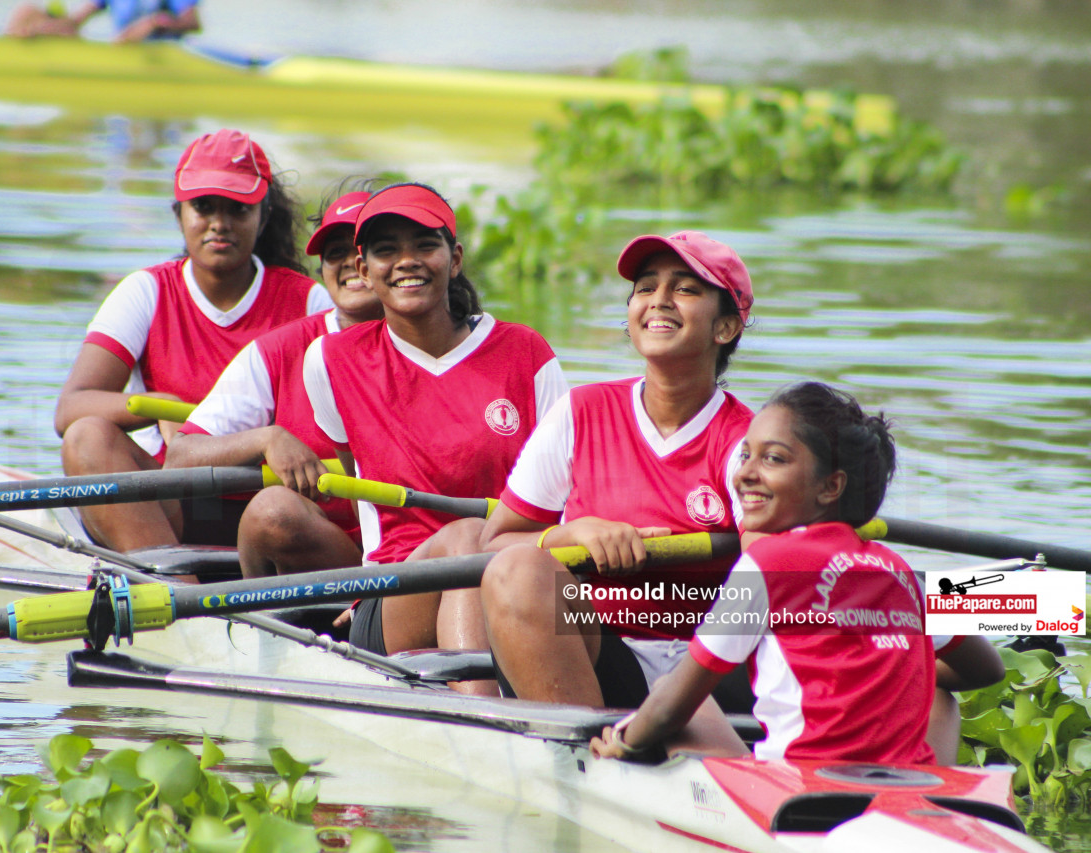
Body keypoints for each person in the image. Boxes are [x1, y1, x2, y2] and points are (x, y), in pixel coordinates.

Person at [589, 382, 1005, 764]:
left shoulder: (764, 565)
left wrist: (623, 743)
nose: (744, 474)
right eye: (746, 454)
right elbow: (987, 670)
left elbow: (672, 706)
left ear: (830, 487)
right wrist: (888, 666)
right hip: (902, 788)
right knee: (939, 692)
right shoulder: (896, 569)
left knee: (665, 688)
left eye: (773, 458)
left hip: (802, 793)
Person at [478, 231, 753, 727]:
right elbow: (491, 545)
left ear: (726, 327)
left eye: (686, 289)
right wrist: (570, 534)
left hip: (710, 672)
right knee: (516, 572)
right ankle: (585, 749)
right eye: (646, 287)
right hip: (600, 656)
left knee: (922, 632)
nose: (659, 301)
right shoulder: (581, 411)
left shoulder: (750, 441)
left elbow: (779, 574)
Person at [302, 182, 569, 668]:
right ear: (364, 269)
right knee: (466, 539)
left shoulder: (526, 352)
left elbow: (568, 497)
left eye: (426, 245)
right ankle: (483, 717)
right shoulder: (330, 360)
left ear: (456, 258)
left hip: (512, 579)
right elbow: (358, 480)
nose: (407, 261)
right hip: (394, 592)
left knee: (475, 544)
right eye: (386, 251)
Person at [55, 129, 331, 552]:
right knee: (85, 436)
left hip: (274, 503)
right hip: (172, 504)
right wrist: (163, 406)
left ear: (264, 215)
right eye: (203, 207)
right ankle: (176, 591)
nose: (219, 223)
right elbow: (70, 409)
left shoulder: (309, 301)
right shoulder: (146, 291)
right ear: (179, 213)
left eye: (238, 208)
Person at [165, 187, 383, 576]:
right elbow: (180, 459)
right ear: (323, 273)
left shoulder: (444, 345)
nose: (352, 263)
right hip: (328, 555)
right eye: (336, 254)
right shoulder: (280, 350)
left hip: (425, 550)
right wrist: (267, 438)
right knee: (273, 512)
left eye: (365, 249)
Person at [6, 0, 199, 42]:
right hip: (122, 45)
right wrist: (42, 27)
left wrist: (155, 22)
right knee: (26, 11)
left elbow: (193, 23)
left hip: (162, 51)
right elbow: (75, 23)